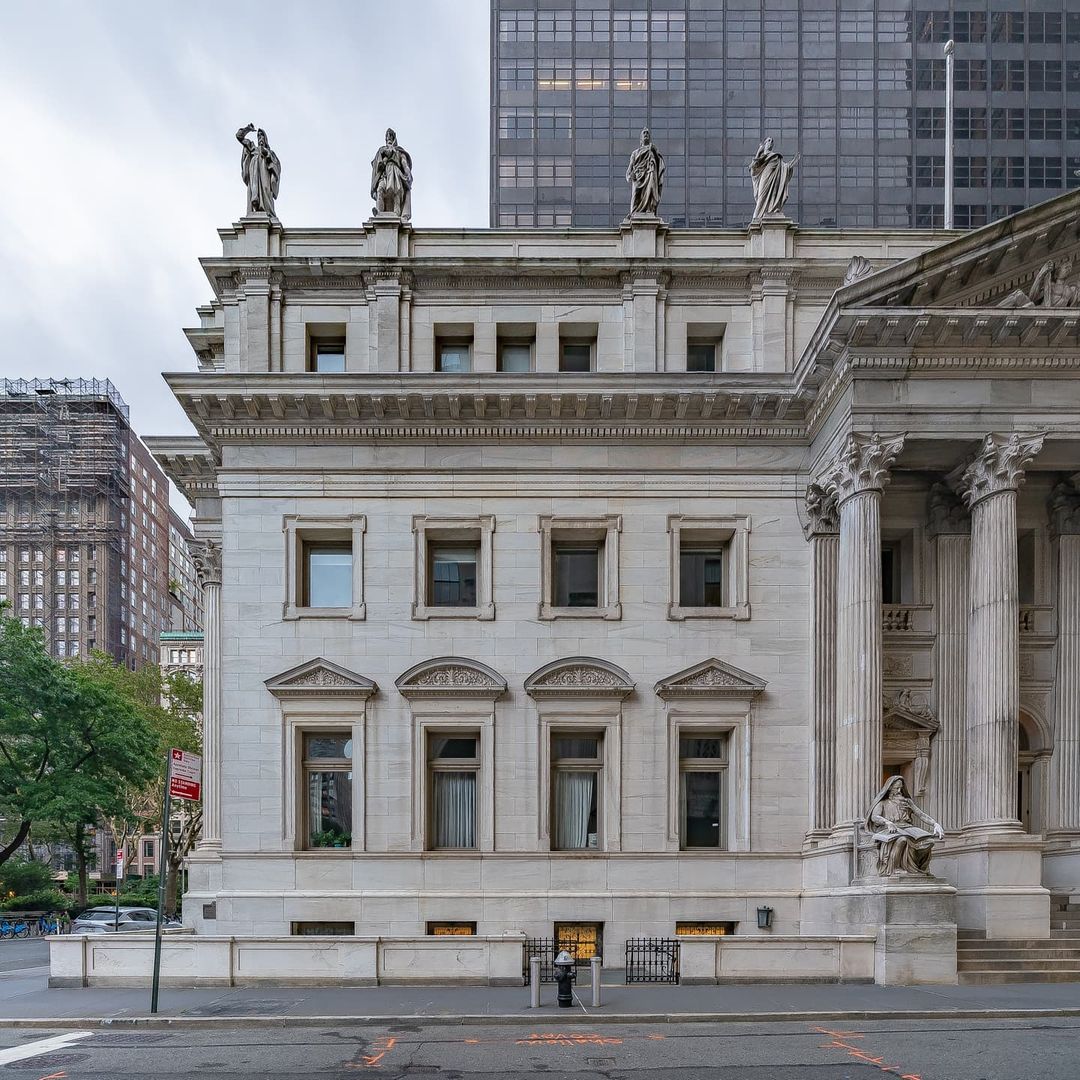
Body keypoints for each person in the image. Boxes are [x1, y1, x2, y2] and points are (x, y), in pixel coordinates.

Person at [865, 775, 944, 877]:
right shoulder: (882, 803)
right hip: (891, 831)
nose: (899, 790)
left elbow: (921, 815)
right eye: (896, 788)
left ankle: (920, 870)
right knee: (902, 840)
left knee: (929, 842)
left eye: (900, 788)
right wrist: (888, 822)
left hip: (908, 828)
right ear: (889, 788)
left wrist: (935, 824)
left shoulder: (907, 802)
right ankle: (895, 868)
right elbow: (874, 817)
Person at [236, 124, 281, 217]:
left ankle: (269, 213)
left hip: (265, 172)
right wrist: (247, 129)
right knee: (254, 191)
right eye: (258, 136)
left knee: (266, 190)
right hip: (254, 172)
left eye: (262, 135)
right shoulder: (252, 147)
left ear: (265, 139)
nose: (260, 137)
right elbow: (239, 136)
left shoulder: (270, 152)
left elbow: (276, 165)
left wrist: (267, 155)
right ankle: (255, 209)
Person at [749, 138, 799, 220]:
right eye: (768, 141)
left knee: (774, 194)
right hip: (764, 179)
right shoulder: (762, 156)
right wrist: (758, 152)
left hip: (775, 179)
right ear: (764, 144)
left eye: (772, 141)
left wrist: (792, 163)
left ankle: (772, 211)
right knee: (761, 197)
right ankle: (756, 217)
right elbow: (753, 168)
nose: (771, 142)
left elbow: (784, 167)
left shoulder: (776, 157)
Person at [370, 129, 413, 220]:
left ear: (394, 138)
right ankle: (379, 211)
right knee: (380, 189)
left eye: (391, 136)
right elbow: (375, 165)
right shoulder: (381, 150)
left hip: (395, 171)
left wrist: (407, 172)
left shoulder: (399, 151)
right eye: (387, 136)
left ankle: (397, 213)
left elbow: (404, 163)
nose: (389, 138)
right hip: (384, 173)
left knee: (397, 191)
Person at [625, 128, 665, 216]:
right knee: (636, 194)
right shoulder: (635, 153)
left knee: (650, 190)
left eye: (647, 133)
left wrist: (655, 152)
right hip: (638, 176)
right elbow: (630, 166)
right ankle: (633, 213)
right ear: (641, 139)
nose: (646, 134)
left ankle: (649, 210)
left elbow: (660, 163)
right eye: (644, 133)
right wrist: (628, 175)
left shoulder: (652, 149)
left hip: (650, 173)